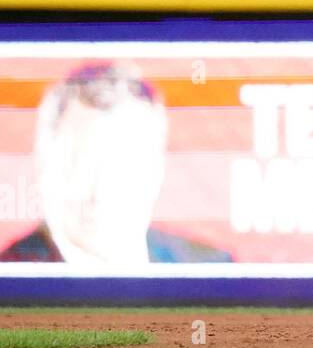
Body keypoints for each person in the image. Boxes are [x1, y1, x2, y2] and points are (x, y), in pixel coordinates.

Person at [0, 63, 232, 264]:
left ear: (156, 170)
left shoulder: (213, 270)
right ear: (44, 162)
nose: (100, 190)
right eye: (83, 164)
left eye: (122, 165)